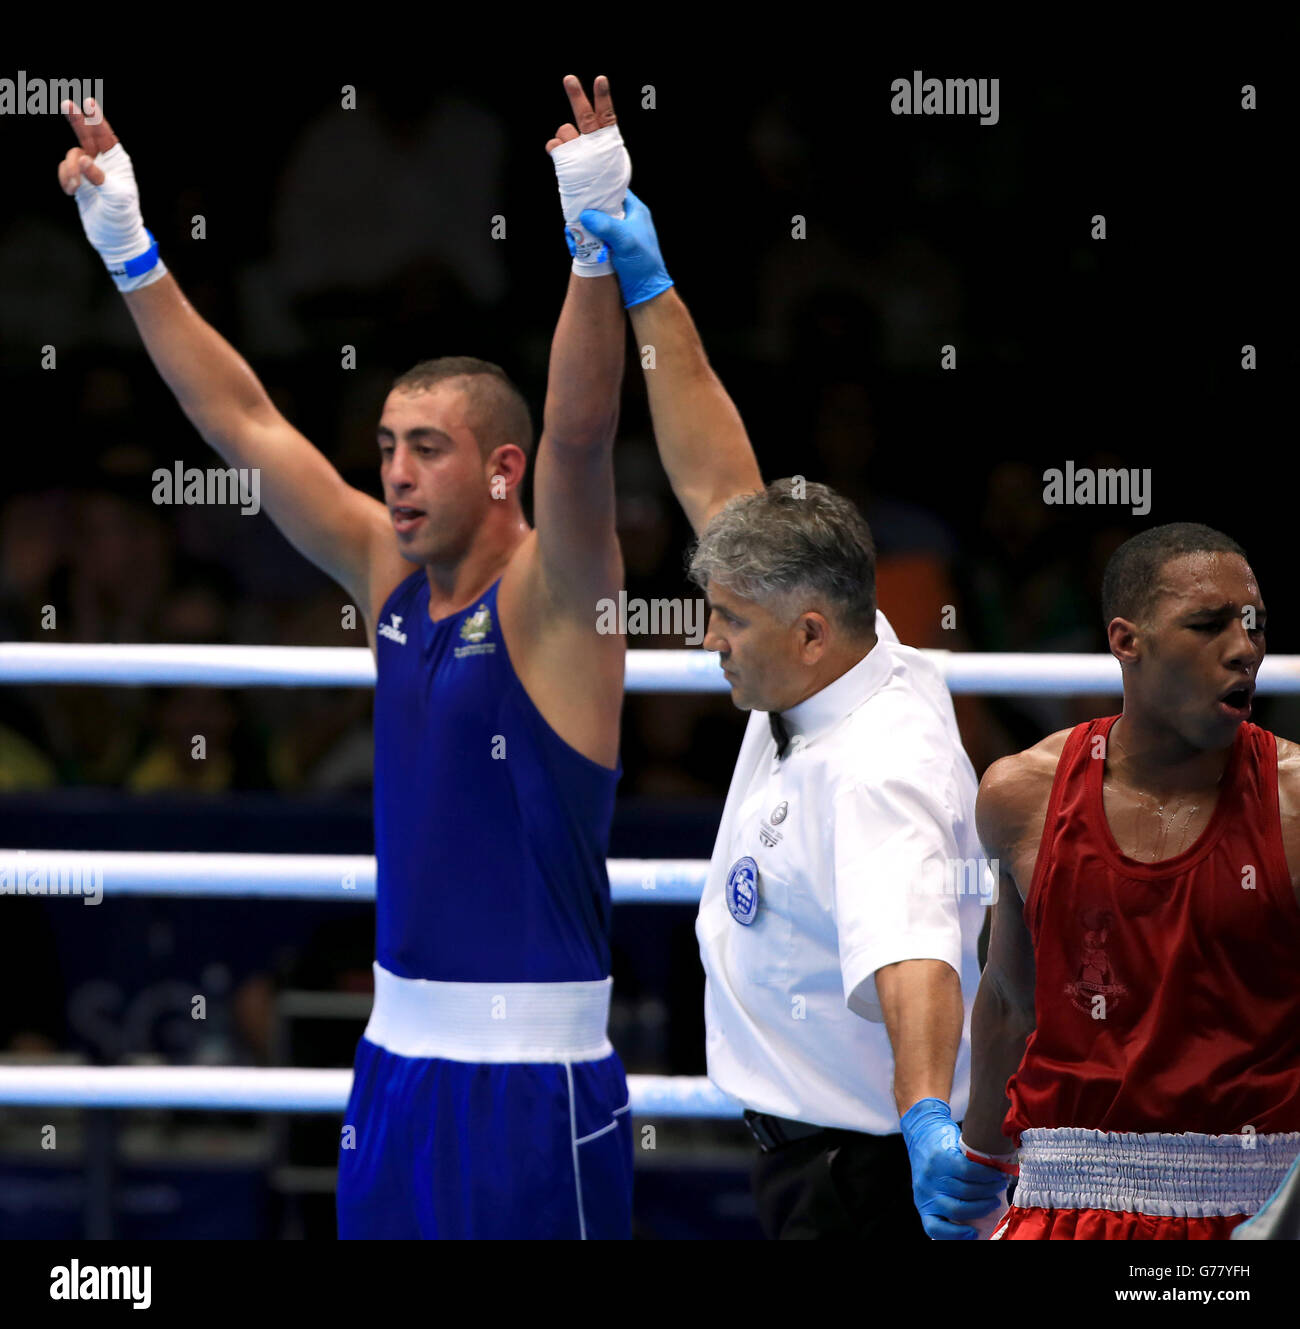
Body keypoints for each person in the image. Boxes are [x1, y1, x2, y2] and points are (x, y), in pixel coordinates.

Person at [58, 75, 637, 1239]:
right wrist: (128, 241)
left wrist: (591, 238)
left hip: (531, 1079)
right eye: (386, 449)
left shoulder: (560, 597)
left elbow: (581, 437)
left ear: (500, 471)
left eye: (427, 448)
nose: (396, 474)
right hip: (394, 1063)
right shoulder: (388, 576)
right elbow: (247, 424)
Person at [573, 136, 1007, 1238]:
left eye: (727, 620)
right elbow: (719, 480)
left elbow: (914, 952)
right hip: (813, 1157)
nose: (705, 642)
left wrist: (922, 1122)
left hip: (861, 1179)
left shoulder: (878, 768)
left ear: (809, 630)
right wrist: (651, 286)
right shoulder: (844, 652)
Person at [962, 523, 1300, 1239]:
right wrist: (978, 1161)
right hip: (1059, 1198)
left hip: (1260, 1198)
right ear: (1126, 640)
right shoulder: (1022, 794)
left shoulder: (1295, 803)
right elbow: (1006, 998)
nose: (1244, 649)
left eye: (1255, 625)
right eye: (1208, 625)